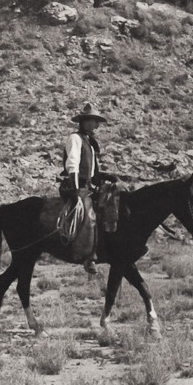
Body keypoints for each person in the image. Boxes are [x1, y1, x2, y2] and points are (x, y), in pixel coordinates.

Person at [60, 103, 117, 274]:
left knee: (112, 204)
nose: (97, 126)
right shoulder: (75, 139)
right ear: (85, 122)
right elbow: (73, 165)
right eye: (94, 121)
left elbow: (92, 170)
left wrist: (107, 177)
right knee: (87, 211)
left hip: (89, 185)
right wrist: (77, 190)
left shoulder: (89, 143)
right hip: (75, 185)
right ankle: (88, 255)